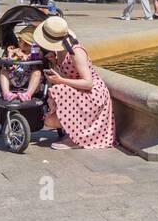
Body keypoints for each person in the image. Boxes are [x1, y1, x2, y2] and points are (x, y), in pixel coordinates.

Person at [34, 16, 116, 149]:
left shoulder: (76, 52)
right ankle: (74, 132)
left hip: (93, 94)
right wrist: (55, 63)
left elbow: (88, 83)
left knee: (59, 89)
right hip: (80, 91)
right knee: (51, 113)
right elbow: (70, 74)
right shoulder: (61, 49)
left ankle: (78, 137)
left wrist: (60, 80)